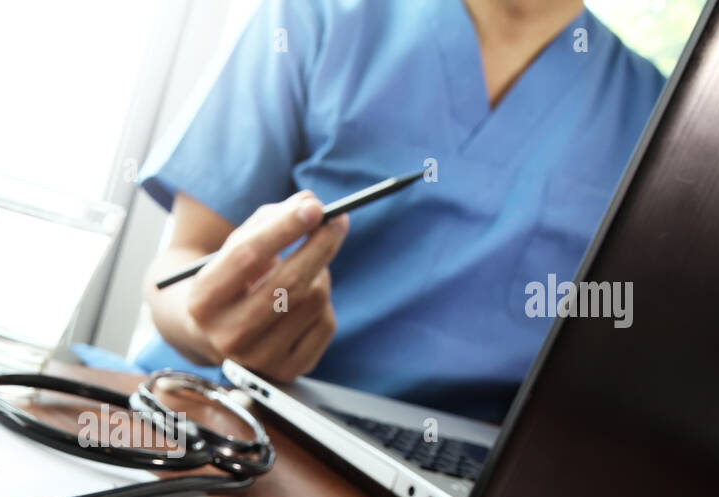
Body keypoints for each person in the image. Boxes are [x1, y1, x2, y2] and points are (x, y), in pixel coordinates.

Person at [137, 0, 666, 422]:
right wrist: (205, 325)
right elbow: (181, 262)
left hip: (455, 493)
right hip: (218, 411)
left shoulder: (660, 118)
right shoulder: (318, 14)